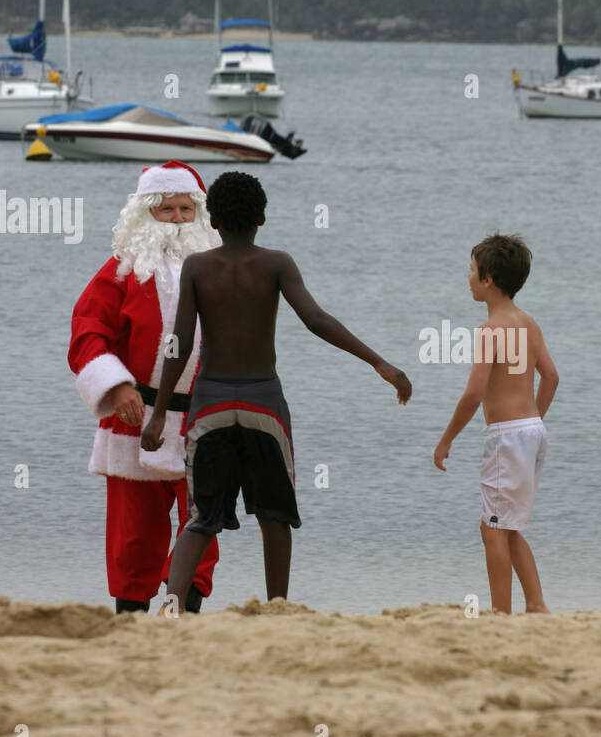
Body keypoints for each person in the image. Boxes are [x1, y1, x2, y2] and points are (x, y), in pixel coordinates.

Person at [141, 172, 411, 607]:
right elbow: (317, 320)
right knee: (274, 516)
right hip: (263, 405)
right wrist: (378, 362)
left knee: (200, 519)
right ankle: (277, 607)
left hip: (209, 406)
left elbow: (180, 342)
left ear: (211, 218)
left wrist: (158, 414)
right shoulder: (276, 263)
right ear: (262, 218)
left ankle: (171, 605)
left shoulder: (196, 267)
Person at [69, 161, 220, 614]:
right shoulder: (121, 272)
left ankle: (182, 612)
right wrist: (116, 389)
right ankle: (129, 620)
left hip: (202, 417)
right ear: (144, 214)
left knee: (203, 523)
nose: (176, 219)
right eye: (166, 209)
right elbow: (87, 332)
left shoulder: (218, 269)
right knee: (133, 532)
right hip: (134, 417)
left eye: (185, 209)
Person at [433, 233, 559, 614]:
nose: (467, 277)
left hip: (507, 438)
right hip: (533, 431)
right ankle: (536, 605)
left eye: (472, 270)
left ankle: (501, 613)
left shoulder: (490, 331)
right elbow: (551, 377)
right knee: (509, 526)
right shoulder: (528, 322)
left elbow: (474, 394)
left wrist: (446, 440)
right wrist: (532, 420)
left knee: (492, 529)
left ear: (489, 280)